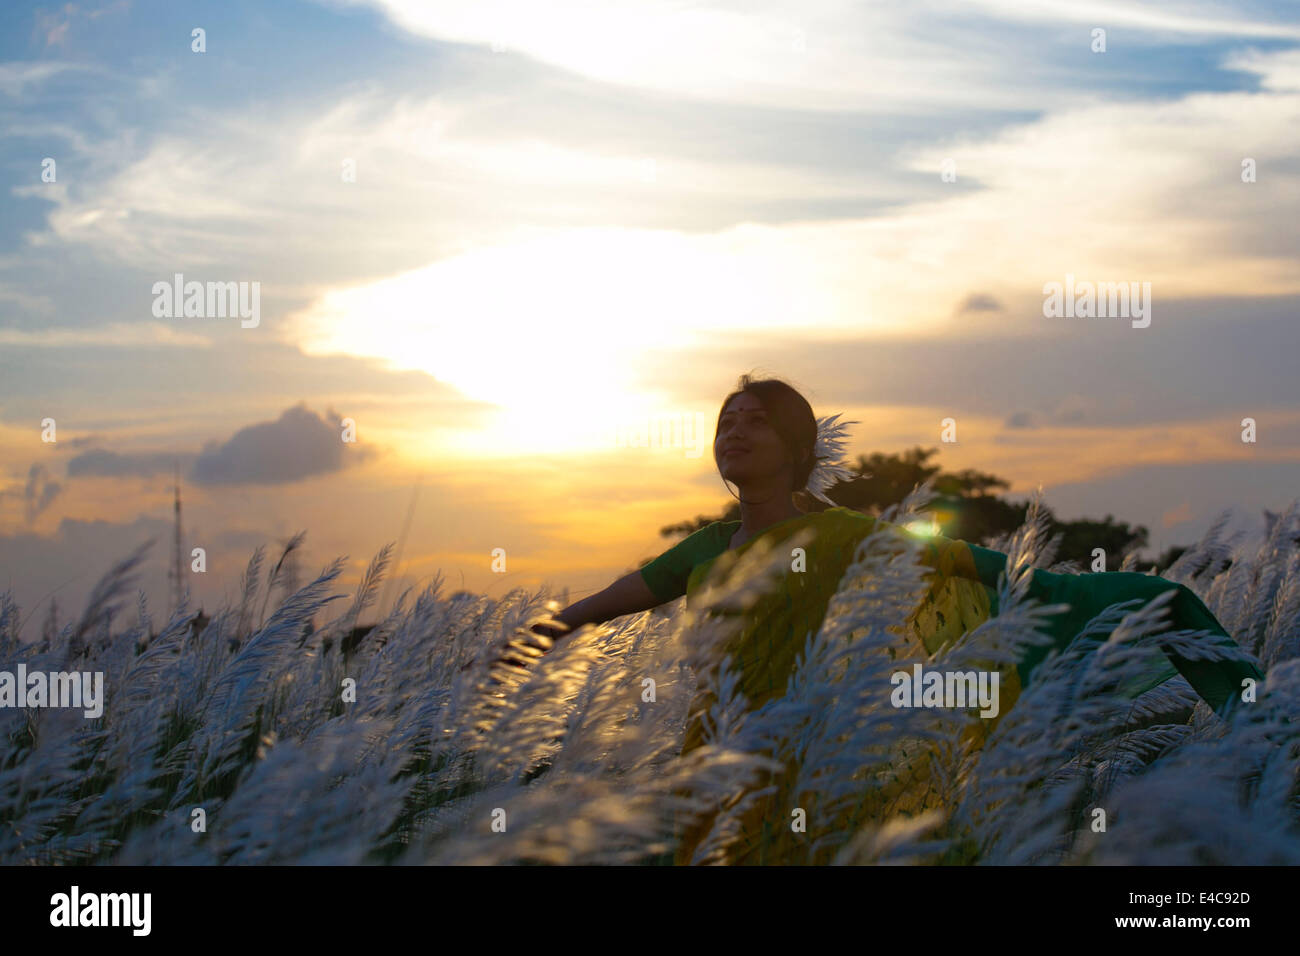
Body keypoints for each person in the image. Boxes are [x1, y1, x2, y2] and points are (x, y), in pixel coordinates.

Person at [520, 373, 1261, 864]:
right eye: (726, 423)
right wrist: (533, 638)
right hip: (710, 763)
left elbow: (982, 569)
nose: (734, 433)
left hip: (814, 761)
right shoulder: (708, 547)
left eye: (756, 423)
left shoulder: (842, 535)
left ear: (797, 448)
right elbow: (608, 603)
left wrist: (1105, 595)